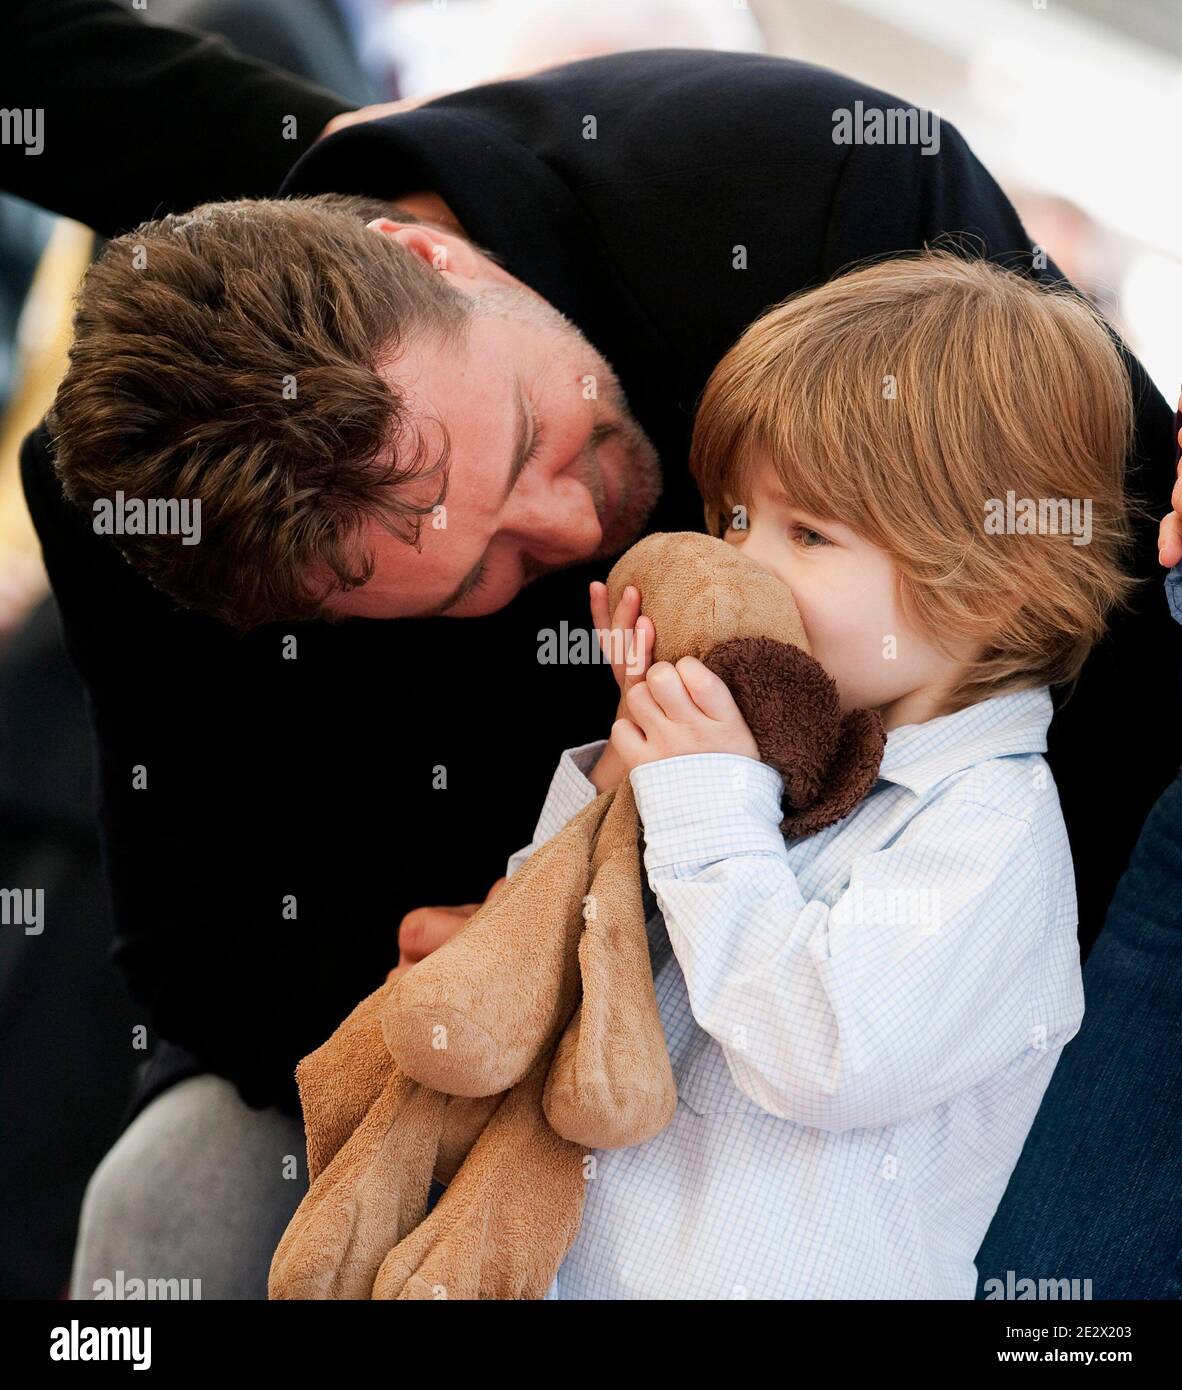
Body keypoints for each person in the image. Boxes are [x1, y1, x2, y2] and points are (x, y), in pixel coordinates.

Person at [29, 49, 1178, 1295]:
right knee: (165, 1209)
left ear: (433, 259)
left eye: (533, 438)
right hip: (515, 1076)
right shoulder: (148, 532)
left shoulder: (816, 182)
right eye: (480, 579)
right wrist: (481, 951)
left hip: (861, 1130)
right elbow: (213, 964)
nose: (578, 534)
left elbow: (1102, 618)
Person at [491, 250, 1127, 1297]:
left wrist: (701, 803)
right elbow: (532, 968)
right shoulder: (758, 753)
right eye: (734, 518)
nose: (744, 562)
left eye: (810, 531)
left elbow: (828, 1050)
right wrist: (623, 771)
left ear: (992, 586)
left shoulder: (990, 833)